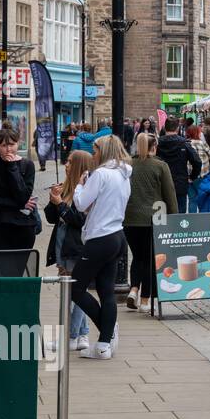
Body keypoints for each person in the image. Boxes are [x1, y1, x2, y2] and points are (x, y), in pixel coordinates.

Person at [72, 135, 132, 360]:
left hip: (100, 238)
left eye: (95, 150)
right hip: (117, 235)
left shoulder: (101, 174)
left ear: (103, 151)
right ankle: (104, 344)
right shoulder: (124, 174)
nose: (93, 154)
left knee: (75, 288)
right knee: (106, 291)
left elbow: (80, 203)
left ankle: (108, 329)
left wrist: (79, 186)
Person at [122, 133, 178, 311]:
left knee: (138, 256)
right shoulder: (160, 166)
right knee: (149, 259)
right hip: (154, 218)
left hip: (129, 218)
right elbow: (170, 195)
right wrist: (174, 218)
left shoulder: (128, 165)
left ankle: (133, 289)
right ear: (155, 147)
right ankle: (145, 299)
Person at [46, 151, 93, 351]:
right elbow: (51, 218)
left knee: (75, 293)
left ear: (80, 165)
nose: (66, 165)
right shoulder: (65, 186)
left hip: (76, 249)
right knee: (72, 293)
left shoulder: (86, 189)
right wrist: (53, 200)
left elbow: (80, 220)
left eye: (70, 162)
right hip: (62, 248)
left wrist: (61, 205)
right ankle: (82, 334)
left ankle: (70, 336)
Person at [0, 129, 38, 275]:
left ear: (18, 144)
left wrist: (12, 168)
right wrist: (18, 205)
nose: (8, 149)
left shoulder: (27, 165)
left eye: (11, 144)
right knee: (3, 272)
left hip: (23, 227)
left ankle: (15, 298)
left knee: (17, 272)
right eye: (3, 145)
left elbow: (22, 196)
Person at [156, 118, 201, 214]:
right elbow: (197, 161)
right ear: (177, 128)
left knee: (162, 214)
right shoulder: (184, 143)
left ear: (164, 128)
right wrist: (193, 176)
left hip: (161, 182)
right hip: (180, 182)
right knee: (180, 216)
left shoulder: (157, 143)